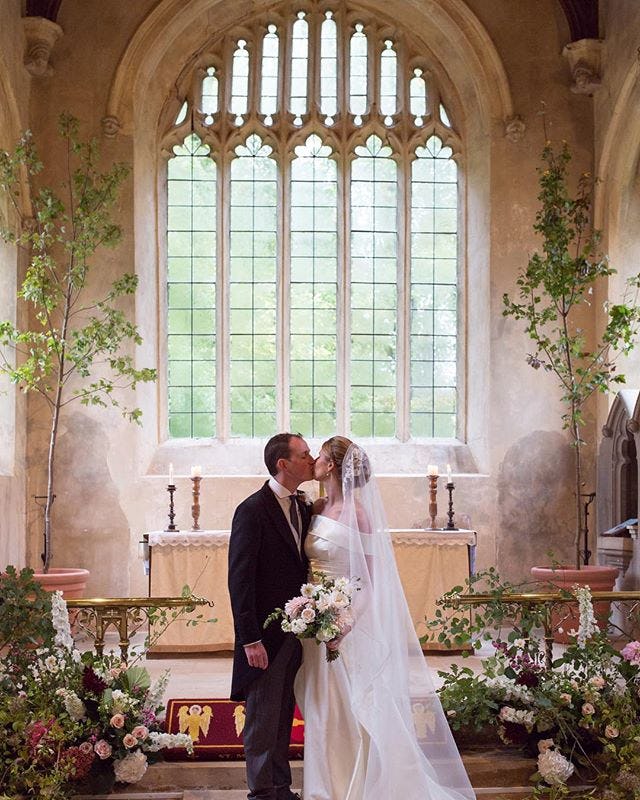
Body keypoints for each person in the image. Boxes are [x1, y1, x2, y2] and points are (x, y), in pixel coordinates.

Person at [296, 436, 476, 800]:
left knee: (348, 710)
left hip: (343, 628)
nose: (313, 458)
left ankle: (355, 786)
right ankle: (323, 786)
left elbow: (370, 583)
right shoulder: (314, 508)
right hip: (313, 626)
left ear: (331, 465)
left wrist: (344, 625)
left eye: (321, 454)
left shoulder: (357, 516)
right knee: (320, 711)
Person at [228, 433, 315, 800]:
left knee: (282, 716)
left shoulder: (305, 506)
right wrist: (250, 639)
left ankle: (281, 787)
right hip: (263, 635)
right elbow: (240, 578)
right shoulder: (252, 509)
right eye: (305, 454)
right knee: (263, 718)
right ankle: (263, 792)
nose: (311, 460)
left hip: (296, 631)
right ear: (284, 463)